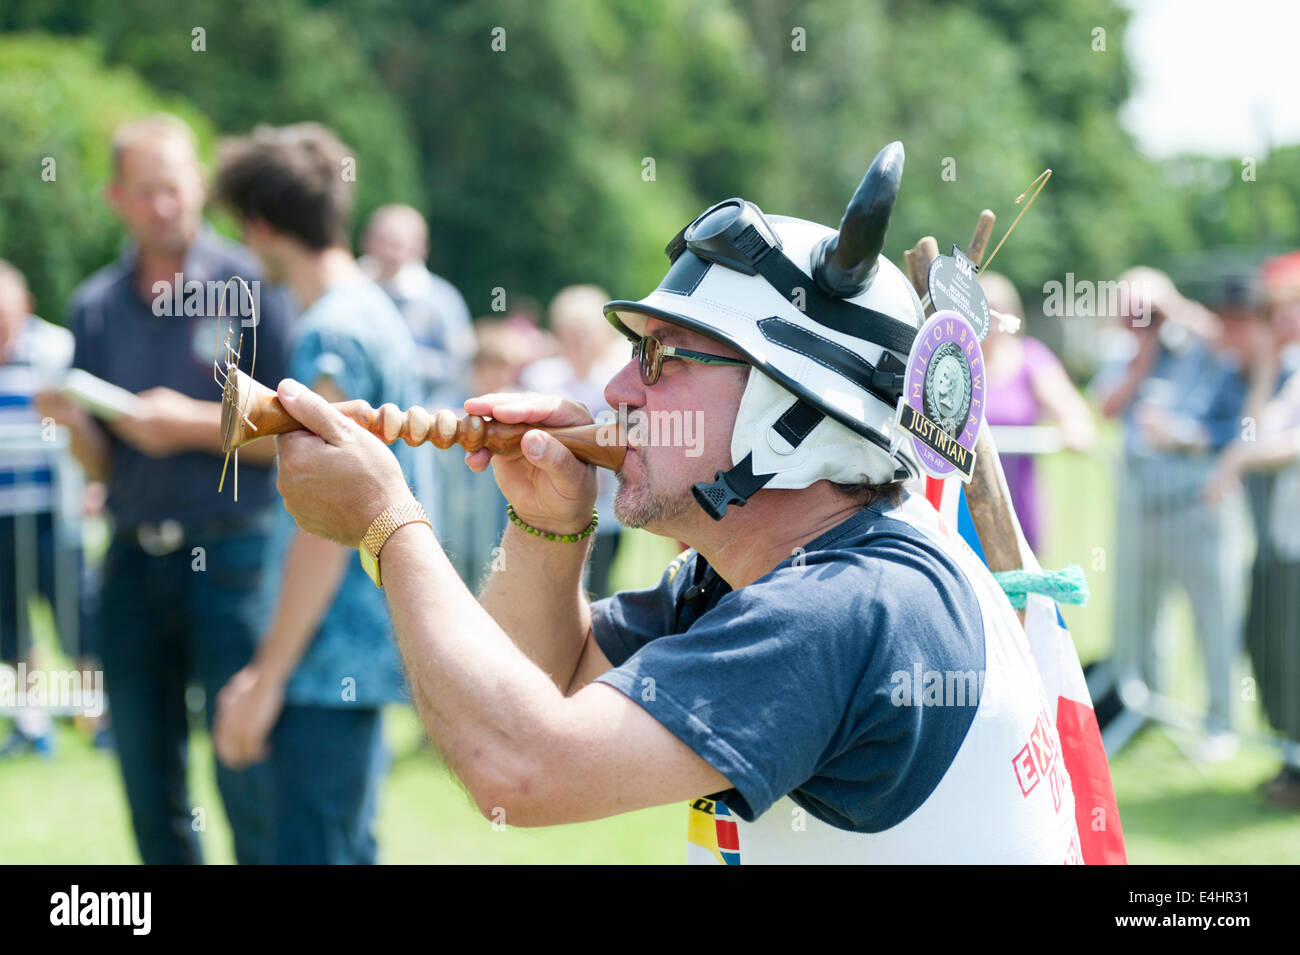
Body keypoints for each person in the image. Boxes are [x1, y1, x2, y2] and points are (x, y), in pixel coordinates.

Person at [269, 144, 1085, 863]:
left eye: (662, 358)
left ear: (792, 410)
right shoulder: (764, 573)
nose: (619, 387)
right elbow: (545, 688)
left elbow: (519, 770)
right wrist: (549, 524)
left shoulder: (844, 607)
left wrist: (388, 526)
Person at [35, 115, 294, 864]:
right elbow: (105, 465)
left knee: (246, 767)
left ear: (200, 185)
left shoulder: (251, 285)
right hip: (130, 562)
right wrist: (73, 425)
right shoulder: (95, 305)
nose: (163, 206)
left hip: (233, 560)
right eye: (145, 192)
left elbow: (299, 436)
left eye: (174, 187)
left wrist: (187, 424)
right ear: (117, 196)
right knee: (148, 782)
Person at [210, 122, 425, 864]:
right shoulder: (372, 312)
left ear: (260, 223)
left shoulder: (330, 336)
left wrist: (267, 675)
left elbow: (323, 522)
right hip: (356, 654)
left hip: (324, 662)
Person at [1096, 267, 1252, 762]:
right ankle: (1148, 708)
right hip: (1144, 504)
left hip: (1198, 502)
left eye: (1147, 311)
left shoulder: (1202, 345)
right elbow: (1107, 405)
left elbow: (1229, 344)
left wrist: (1171, 306)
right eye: (1132, 312)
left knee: (1214, 616)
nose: (1142, 319)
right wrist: (1143, 352)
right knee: (1142, 616)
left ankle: (1222, 723)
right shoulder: (1125, 354)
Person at [1207, 253, 1300, 807]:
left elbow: (1280, 446)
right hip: (1281, 539)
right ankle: (1290, 760)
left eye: (1289, 309)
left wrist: (1238, 462)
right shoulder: (1285, 371)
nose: (1280, 321)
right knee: (1269, 650)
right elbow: (1256, 429)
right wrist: (1265, 372)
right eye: (1273, 312)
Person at [0, 260, 74, 758]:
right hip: (3, 509)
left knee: (73, 610)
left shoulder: (55, 348)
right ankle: (31, 720)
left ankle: (98, 713)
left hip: (50, 506)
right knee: (11, 619)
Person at [521, 285, 627, 597]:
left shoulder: (616, 383)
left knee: (598, 588)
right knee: (551, 585)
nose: (579, 341)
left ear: (603, 336)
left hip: (605, 507)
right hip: (549, 498)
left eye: (586, 332)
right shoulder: (540, 379)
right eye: (570, 331)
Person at [978, 272, 1095, 554]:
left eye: (999, 310)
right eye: (984, 309)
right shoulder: (955, 359)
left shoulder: (1030, 357)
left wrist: (1072, 428)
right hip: (959, 510)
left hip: (1018, 509)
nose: (992, 320)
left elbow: (1074, 414)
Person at [359, 204, 474, 408]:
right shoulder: (354, 289)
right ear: (366, 242)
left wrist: (409, 362)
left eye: (397, 243)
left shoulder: (443, 301)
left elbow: (462, 367)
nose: (388, 252)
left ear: (420, 248)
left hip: (422, 422)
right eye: (382, 240)